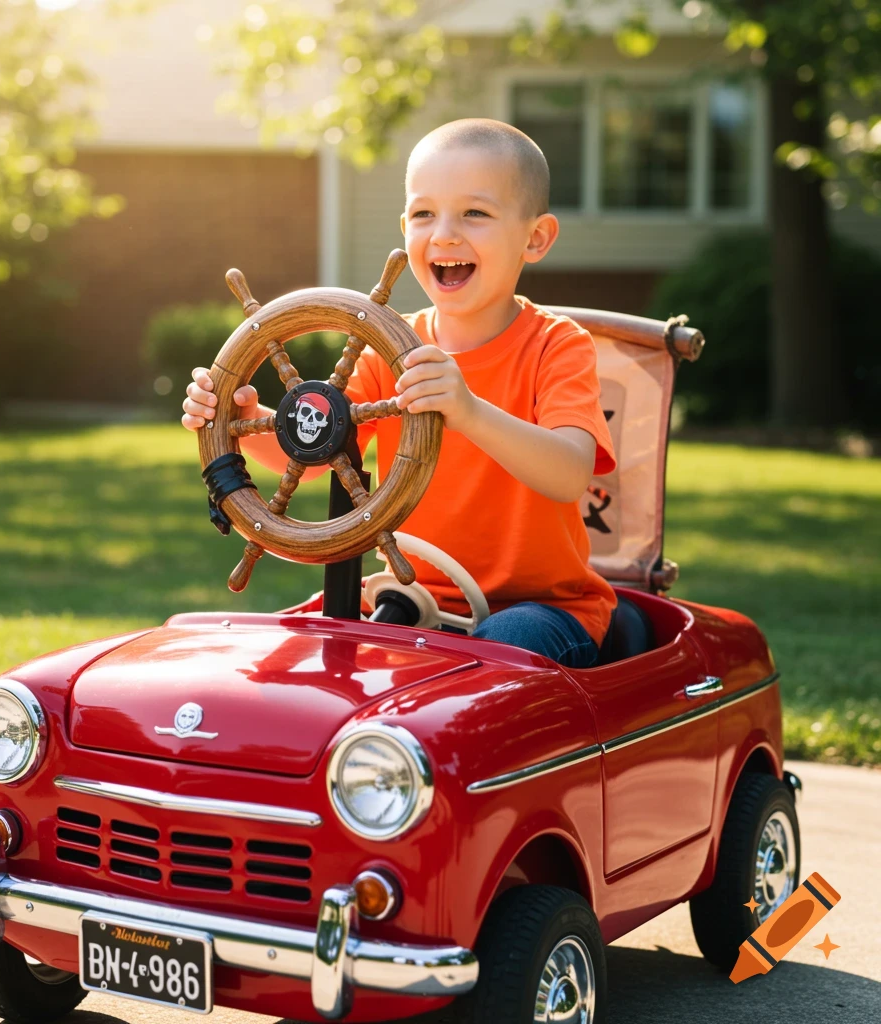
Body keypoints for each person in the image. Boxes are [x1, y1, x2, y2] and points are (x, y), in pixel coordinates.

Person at [182, 118, 616, 668]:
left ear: (536, 238)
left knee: (496, 655)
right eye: (423, 214)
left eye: (474, 213)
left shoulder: (557, 345)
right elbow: (314, 460)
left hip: (542, 609)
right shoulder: (387, 349)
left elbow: (570, 472)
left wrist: (469, 411)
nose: (445, 234)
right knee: (285, 658)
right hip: (410, 594)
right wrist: (251, 417)